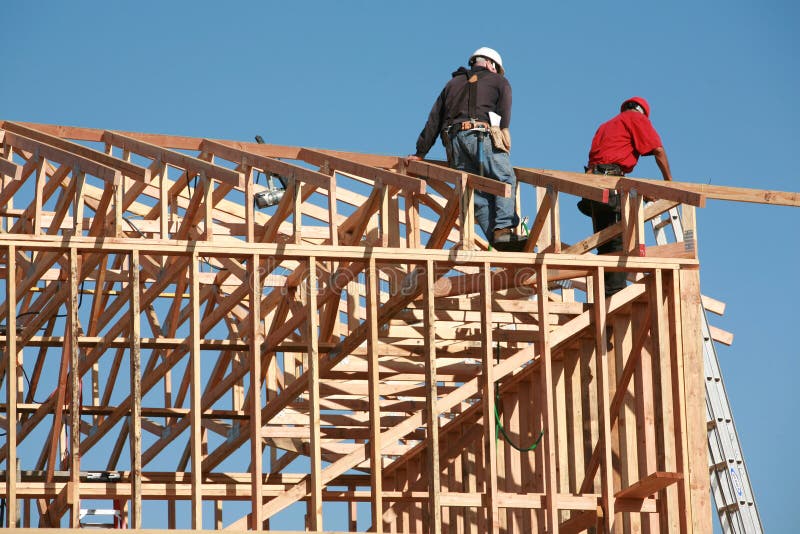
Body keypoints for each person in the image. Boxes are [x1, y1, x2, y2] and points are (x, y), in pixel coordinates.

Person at [407, 47, 526, 252]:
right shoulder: (500, 81)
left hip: (454, 143)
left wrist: (420, 153)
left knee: (476, 193)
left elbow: (434, 119)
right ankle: (503, 230)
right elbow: (504, 118)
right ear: (491, 64)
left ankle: (500, 242)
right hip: (480, 136)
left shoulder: (451, 84)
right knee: (505, 178)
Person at [577, 96, 674, 295]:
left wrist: (643, 195)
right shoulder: (636, 119)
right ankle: (614, 298)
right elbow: (658, 151)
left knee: (604, 244)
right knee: (618, 243)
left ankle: (604, 297)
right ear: (642, 114)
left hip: (594, 186)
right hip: (610, 186)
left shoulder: (605, 126)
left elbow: (606, 162)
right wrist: (670, 184)